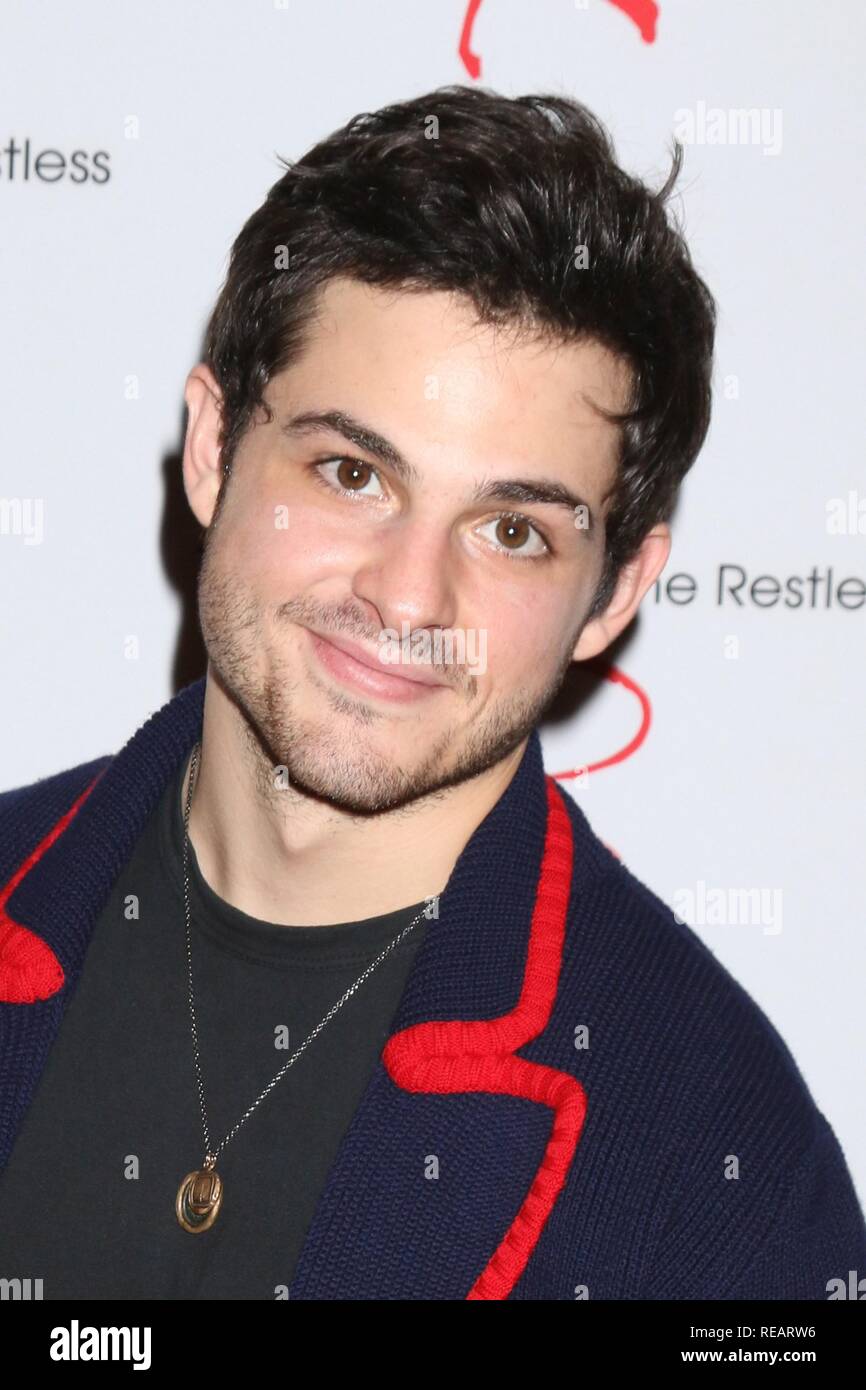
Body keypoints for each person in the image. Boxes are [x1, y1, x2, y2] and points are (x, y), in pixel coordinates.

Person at [1, 85, 863, 1302]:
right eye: (351, 471)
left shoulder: (717, 1163)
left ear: (613, 595)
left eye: (511, 530)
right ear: (212, 450)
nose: (407, 599)